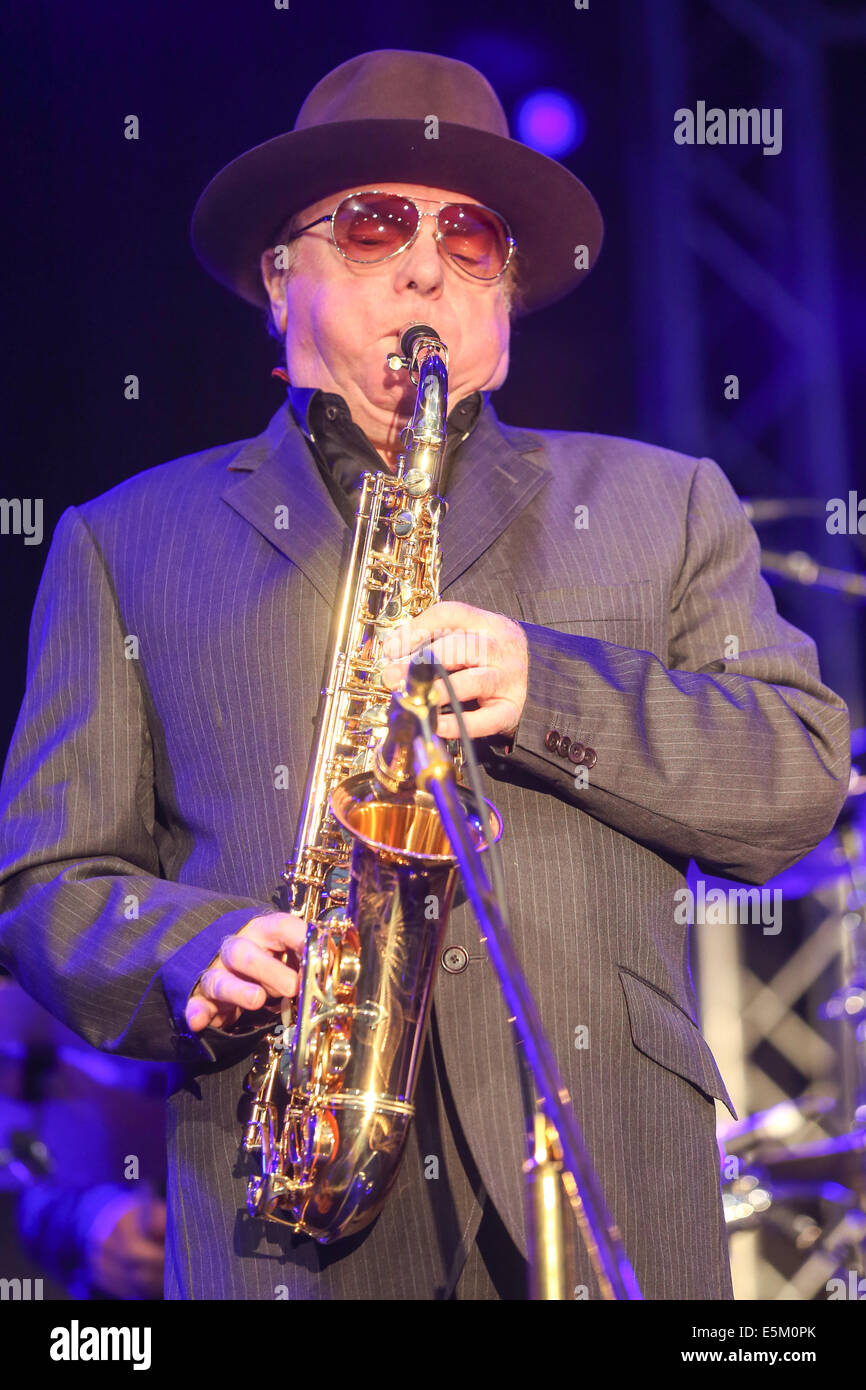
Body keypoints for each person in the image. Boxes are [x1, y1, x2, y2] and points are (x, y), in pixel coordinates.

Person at [0, 48, 850, 1300]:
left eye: (470, 239)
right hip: (282, 1191)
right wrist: (191, 950)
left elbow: (793, 773)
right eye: (375, 222)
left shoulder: (661, 503)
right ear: (278, 276)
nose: (424, 266)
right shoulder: (124, 541)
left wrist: (549, 691)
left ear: (502, 299)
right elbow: (44, 882)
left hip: (600, 1180)